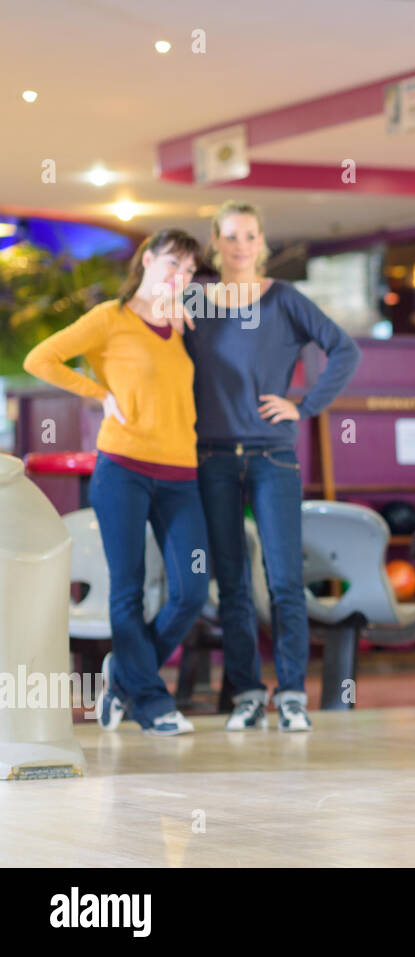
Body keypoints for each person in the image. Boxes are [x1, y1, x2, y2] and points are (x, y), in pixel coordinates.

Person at [180, 201, 361, 732]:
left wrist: (304, 405)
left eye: (250, 236)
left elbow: (344, 350)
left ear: (262, 243)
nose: (241, 245)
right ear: (216, 242)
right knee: (232, 584)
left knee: (283, 580)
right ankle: (247, 694)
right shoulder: (193, 299)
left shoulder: (283, 299)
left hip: (273, 457)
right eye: (231, 236)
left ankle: (292, 694)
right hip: (211, 457)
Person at [24, 229, 209, 735]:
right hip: (123, 470)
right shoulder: (110, 317)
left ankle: (124, 678)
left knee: (191, 591)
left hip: (181, 476)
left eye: (189, 270)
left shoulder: (183, 323)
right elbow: (39, 358)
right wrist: (99, 393)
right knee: (128, 589)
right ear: (147, 259)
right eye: (172, 264)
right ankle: (151, 704)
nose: (180, 276)